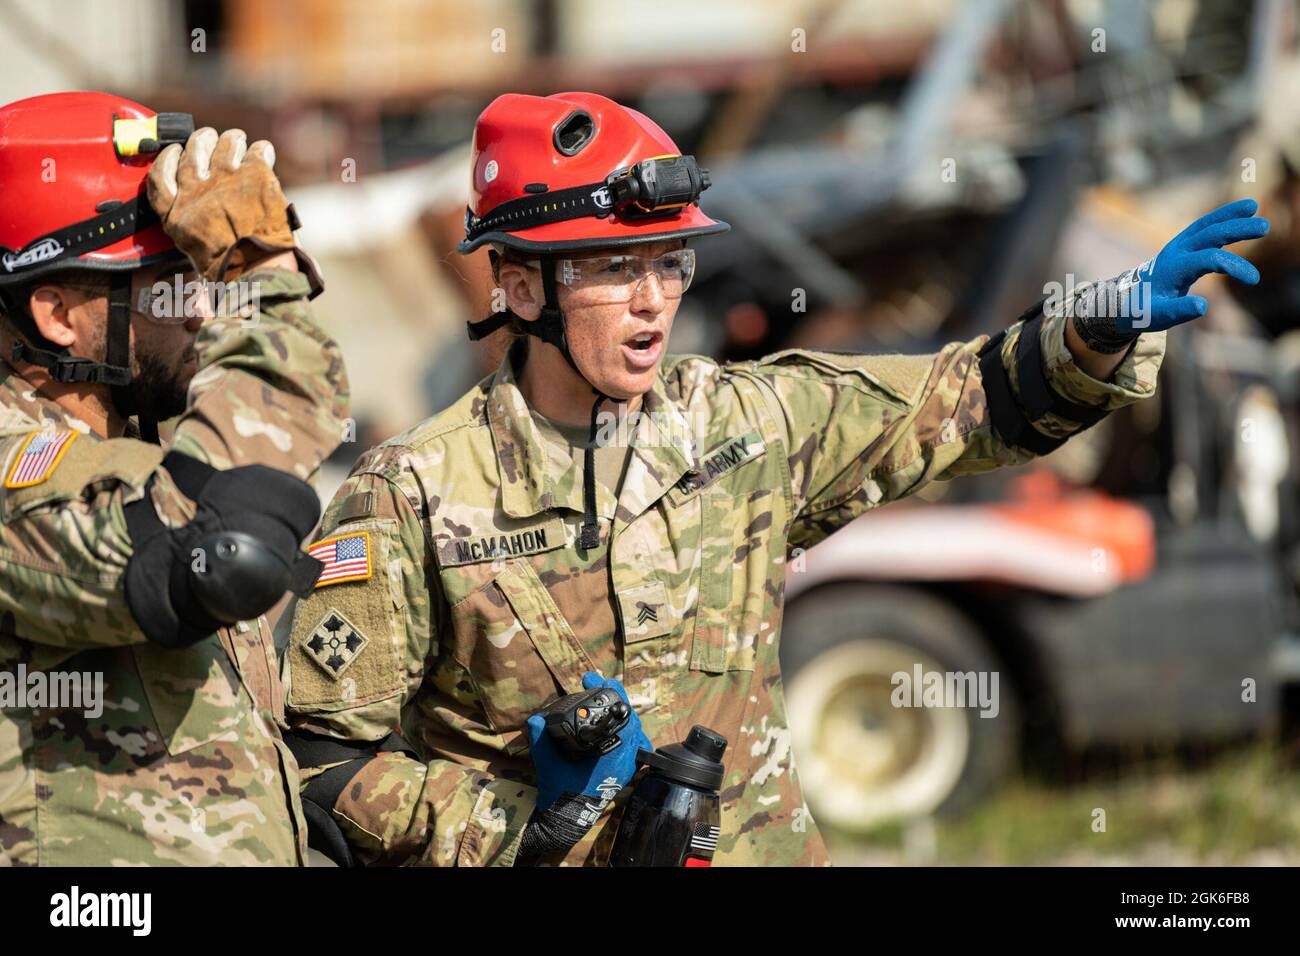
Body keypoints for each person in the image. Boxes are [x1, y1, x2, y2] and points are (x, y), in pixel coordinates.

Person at [282, 91, 1267, 866]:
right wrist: (521, 832)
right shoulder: (408, 494)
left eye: (669, 263)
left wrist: (1094, 326)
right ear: (520, 284)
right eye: (616, 269)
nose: (654, 301)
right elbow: (323, 758)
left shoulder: (747, 426)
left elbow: (964, 400)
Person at [0, 92, 349, 865]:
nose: (201, 311)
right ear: (57, 315)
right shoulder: (13, 468)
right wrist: (261, 280)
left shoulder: (151, 446)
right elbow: (213, 552)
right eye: (170, 284)